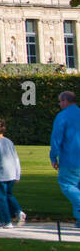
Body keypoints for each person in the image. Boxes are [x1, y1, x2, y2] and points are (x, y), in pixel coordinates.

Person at [49, 90, 80, 228]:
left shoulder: (62, 116)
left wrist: (53, 157)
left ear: (65, 101)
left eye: (60, 101)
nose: (59, 104)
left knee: (67, 185)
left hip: (70, 158)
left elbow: (57, 138)